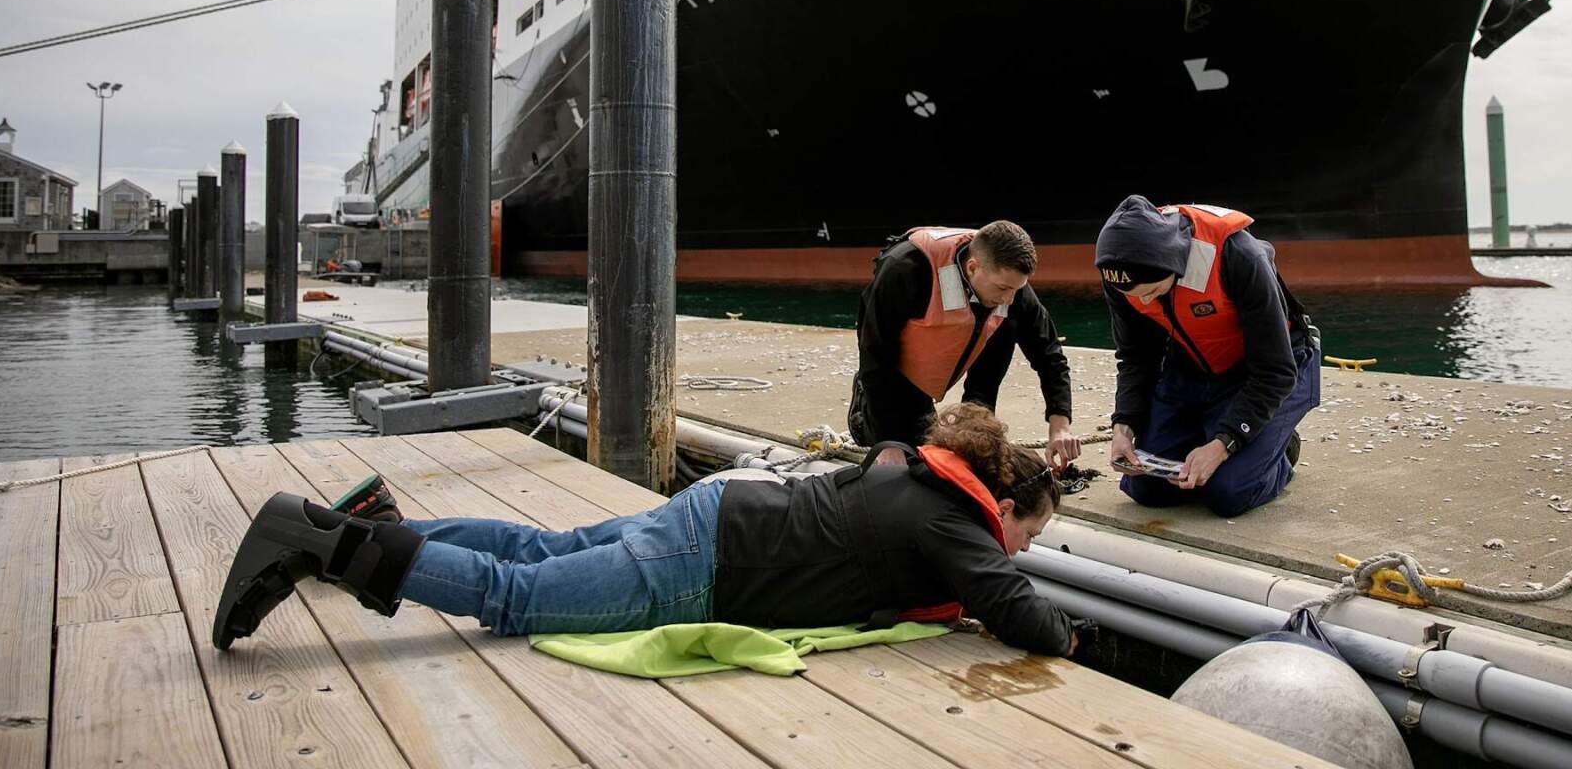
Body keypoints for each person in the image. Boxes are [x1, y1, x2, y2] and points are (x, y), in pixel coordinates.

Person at [211, 404, 1076, 658]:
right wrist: (1067, 635)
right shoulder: (958, 522)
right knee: (517, 598)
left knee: (542, 549)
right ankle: (324, 543)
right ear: (1002, 504)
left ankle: (363, 528)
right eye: (1028, 534)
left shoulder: (917, 472)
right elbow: (1020, 612)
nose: (1022, 550)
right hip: (704, 568)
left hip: (715, 514)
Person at [1095, 195, 1321, 518]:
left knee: (1228, 493)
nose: (1143, 302)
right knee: (1146, 486)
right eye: (1133, 295)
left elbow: (1276, 370)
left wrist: (1223, 443)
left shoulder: (1239, 256)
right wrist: (1124, 425)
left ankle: (1282, 450)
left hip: (1273, 368)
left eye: (1152, 291)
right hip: (1194, 365)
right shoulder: (1122, 277)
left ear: (1172, 263)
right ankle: (1221, 432)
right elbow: (1136, 356)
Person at [847, 220, 1080, 470]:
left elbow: (1049, 355)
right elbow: (874, 354)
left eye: (1016, 289)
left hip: (980, 357)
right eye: (1003, 288)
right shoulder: (905, 269)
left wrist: (1060, 426)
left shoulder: (1010, 284)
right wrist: (888, 442)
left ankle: (974, 422)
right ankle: (864, 412)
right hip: (900, 374)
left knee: (976, 456)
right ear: (972, 268)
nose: (1009, 298)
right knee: (911, 457)